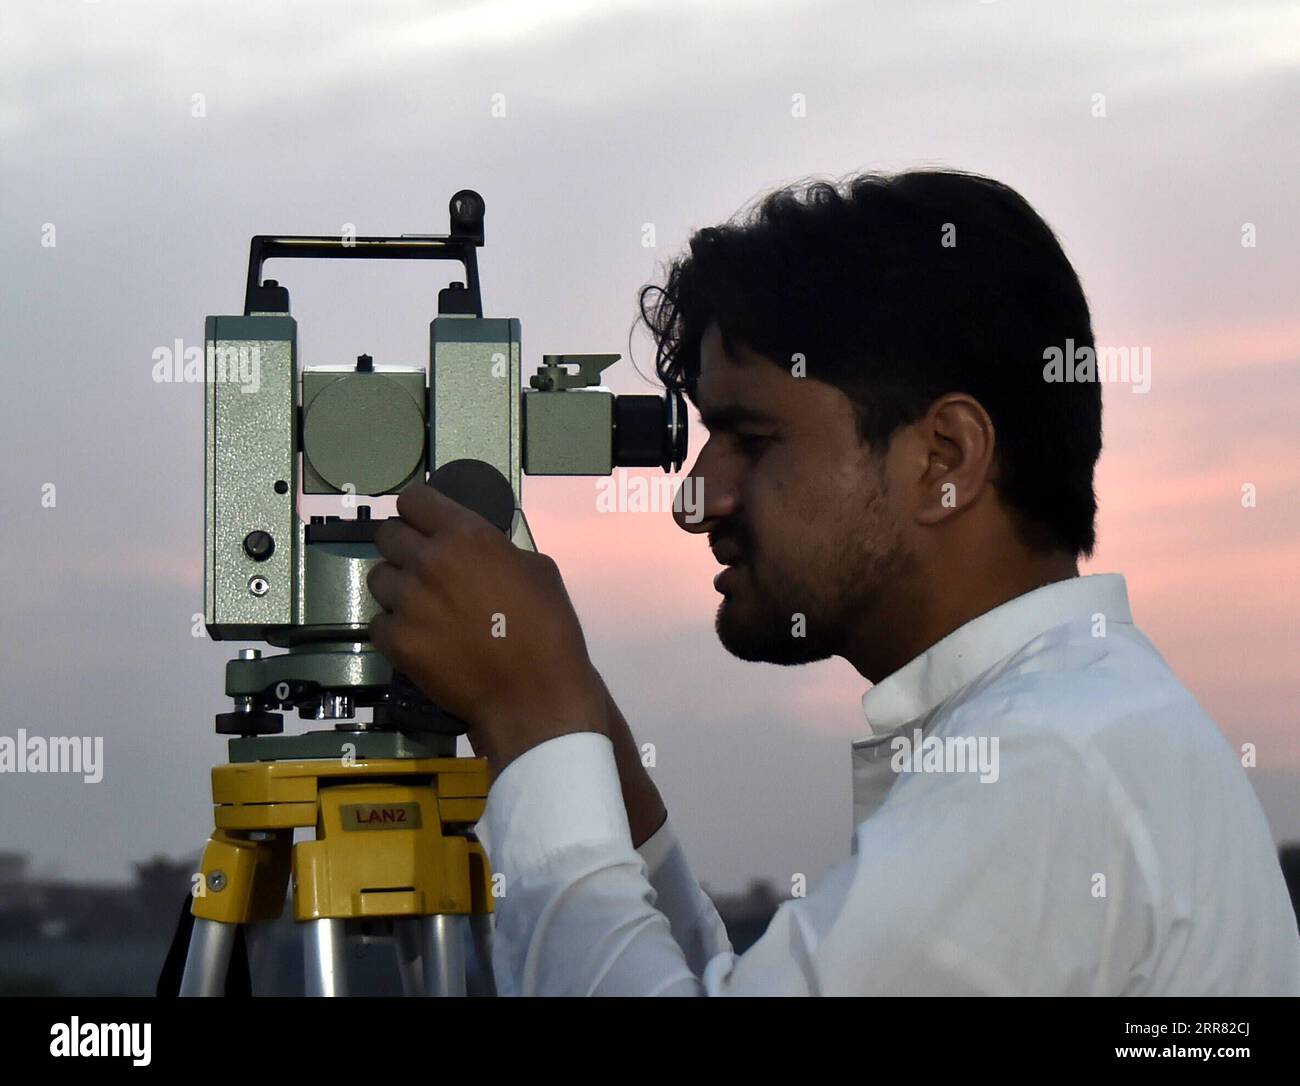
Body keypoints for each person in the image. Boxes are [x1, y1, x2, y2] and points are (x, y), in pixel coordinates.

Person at [367, 169, 1300, 995]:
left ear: (946, 457)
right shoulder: (1076, 726)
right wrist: (582, 730)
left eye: (752, 441)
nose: (698, 498)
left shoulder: (1048, 766)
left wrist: (533, 724)